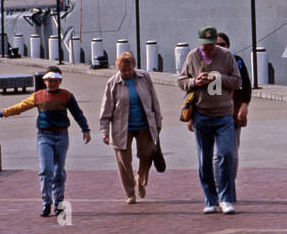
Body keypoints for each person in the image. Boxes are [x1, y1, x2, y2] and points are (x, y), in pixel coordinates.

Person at [0, 67, 91, 216]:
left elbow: (77, 113)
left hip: (62, 135)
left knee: (58, 171)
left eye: (55, 81)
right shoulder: (38, 96)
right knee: (45, 170)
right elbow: (21, 107)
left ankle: (58, 202)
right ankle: (46, 202)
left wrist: (85, 129)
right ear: (44, 81)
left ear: (60, 81)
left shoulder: (66, 96)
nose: (52, 84)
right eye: (49, 81)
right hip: (44, 136)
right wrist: (2, 113)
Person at [177, 26, 240, 214]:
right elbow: (181, 81)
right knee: (204, 159)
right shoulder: (192, 57)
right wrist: (195, 82)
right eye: (204, 45)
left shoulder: (227, 56)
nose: (208, 49)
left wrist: (219, 79)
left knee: (226, 154)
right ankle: (210, 199)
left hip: (224, 114)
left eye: (211, 45)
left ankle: (226, 198)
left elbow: (238, 81)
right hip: (201, 114)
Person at [99, 50, 163, 204]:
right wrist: (104, 130)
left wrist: (158, 121)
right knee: (123, 160)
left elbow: (154, 99)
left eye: (129, 69)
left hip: (144, 124)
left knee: (147, 153)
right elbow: (106, 107)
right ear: (118, 69)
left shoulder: (144, 77)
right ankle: (130, 193)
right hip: (122, 127)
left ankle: (140, 180)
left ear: (134, 66)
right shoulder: (112, 83)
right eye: (123, 70)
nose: (127, 73)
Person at [215, 32, 252, 156]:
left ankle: (230, 175)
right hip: (214, 112)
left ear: (228, 46)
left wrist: (244, 105)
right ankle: (218, 176)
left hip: (233, 110)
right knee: (217, 153)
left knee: (232, 150)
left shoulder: (237, 61)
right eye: (216, 44)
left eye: (222, 44)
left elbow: (246, 85)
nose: (219, 47)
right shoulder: (207, 63)